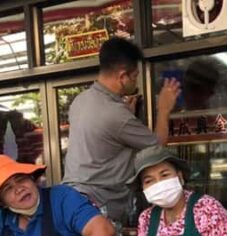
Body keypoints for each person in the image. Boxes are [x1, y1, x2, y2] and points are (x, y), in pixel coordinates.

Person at [62, 37, 181, 222]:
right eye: (135, 76)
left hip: (71, 200)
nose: (136, 82)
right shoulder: (116, 114)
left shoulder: (80, 100)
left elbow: (105, 138)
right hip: (98, 207)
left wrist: (127, 115)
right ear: (122, 76)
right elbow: (158, 147)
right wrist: (164, 109)